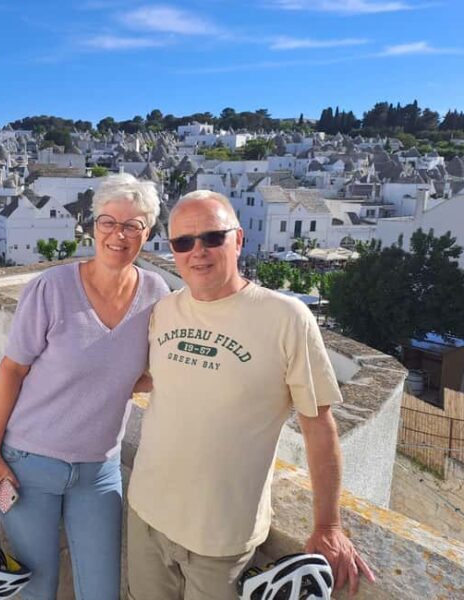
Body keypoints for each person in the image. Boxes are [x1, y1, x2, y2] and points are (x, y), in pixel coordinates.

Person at [127, 190, 375, 600]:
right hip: (145, 514)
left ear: (238, 239)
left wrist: (328, 526)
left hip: (221, 539)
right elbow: (152, 380)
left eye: (212, 237)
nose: (198, 251)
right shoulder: (164, 311)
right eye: (183, 242)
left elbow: (318, 424)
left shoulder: (286, 318)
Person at [0, 173, 170, 600]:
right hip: (28, 466)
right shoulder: (51, 288)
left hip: (99, 472)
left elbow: (151, 369)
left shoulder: (156, 293)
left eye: (132, 225)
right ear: (93, 225)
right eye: (108, 222)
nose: (118, 235)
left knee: (102, 592)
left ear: (148, 233)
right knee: (37, 589)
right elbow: (11, 371)